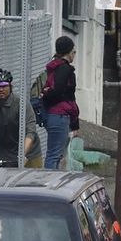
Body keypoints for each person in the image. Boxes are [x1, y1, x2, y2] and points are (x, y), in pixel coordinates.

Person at [0, 69, 35, 167]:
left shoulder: (21, 103)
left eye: (4, 86)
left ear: (11, 87)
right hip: (0, 154)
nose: (1, 90)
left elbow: (30, 131)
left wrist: (22, 155)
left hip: (27, 152)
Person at [39, 35, 78, 168]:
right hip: (60, 115)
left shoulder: (54, 68)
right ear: (68, 52)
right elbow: (60, 91)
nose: (74, 55)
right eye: (73, 52)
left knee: (55, 154)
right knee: (54, 155)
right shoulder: (64, 69)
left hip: (54, 114)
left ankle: (51, 183)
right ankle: (49, 185)